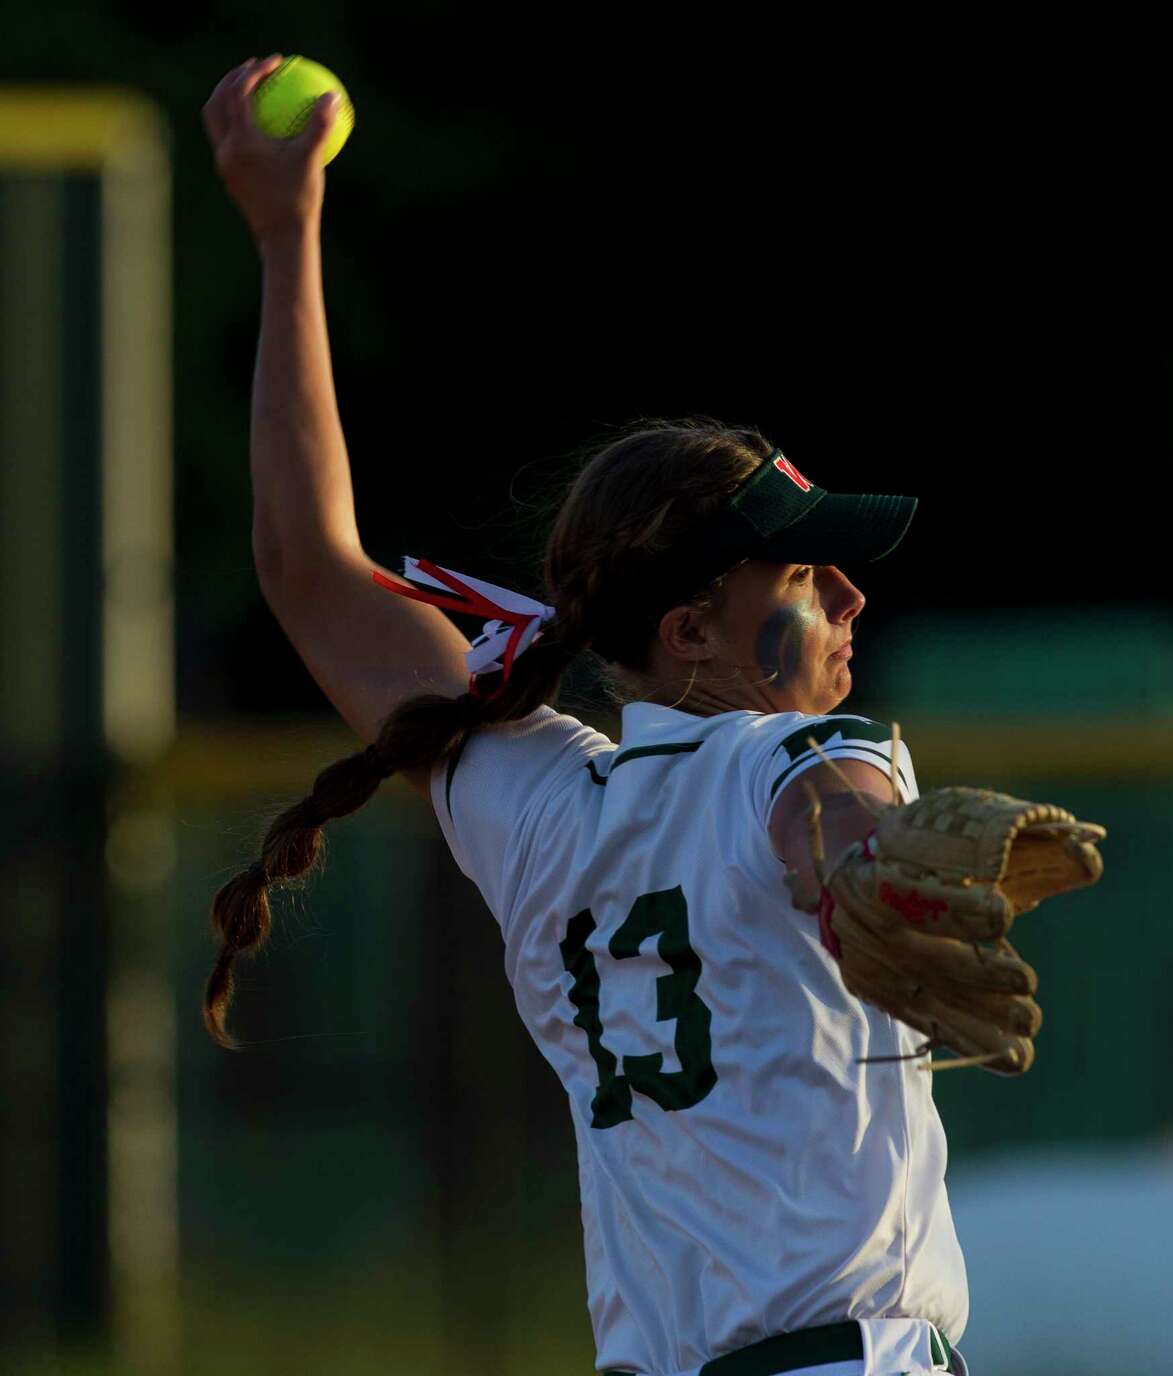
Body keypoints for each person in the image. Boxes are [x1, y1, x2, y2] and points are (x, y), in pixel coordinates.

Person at [203, 57, 969, 1376]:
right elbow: (826, 817)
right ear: (689, 635)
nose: (847, 591)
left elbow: (306, 570)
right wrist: (874, 875)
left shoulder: (540, 808)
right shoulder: (795, 755)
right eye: (798, 573)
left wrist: (285, 234)